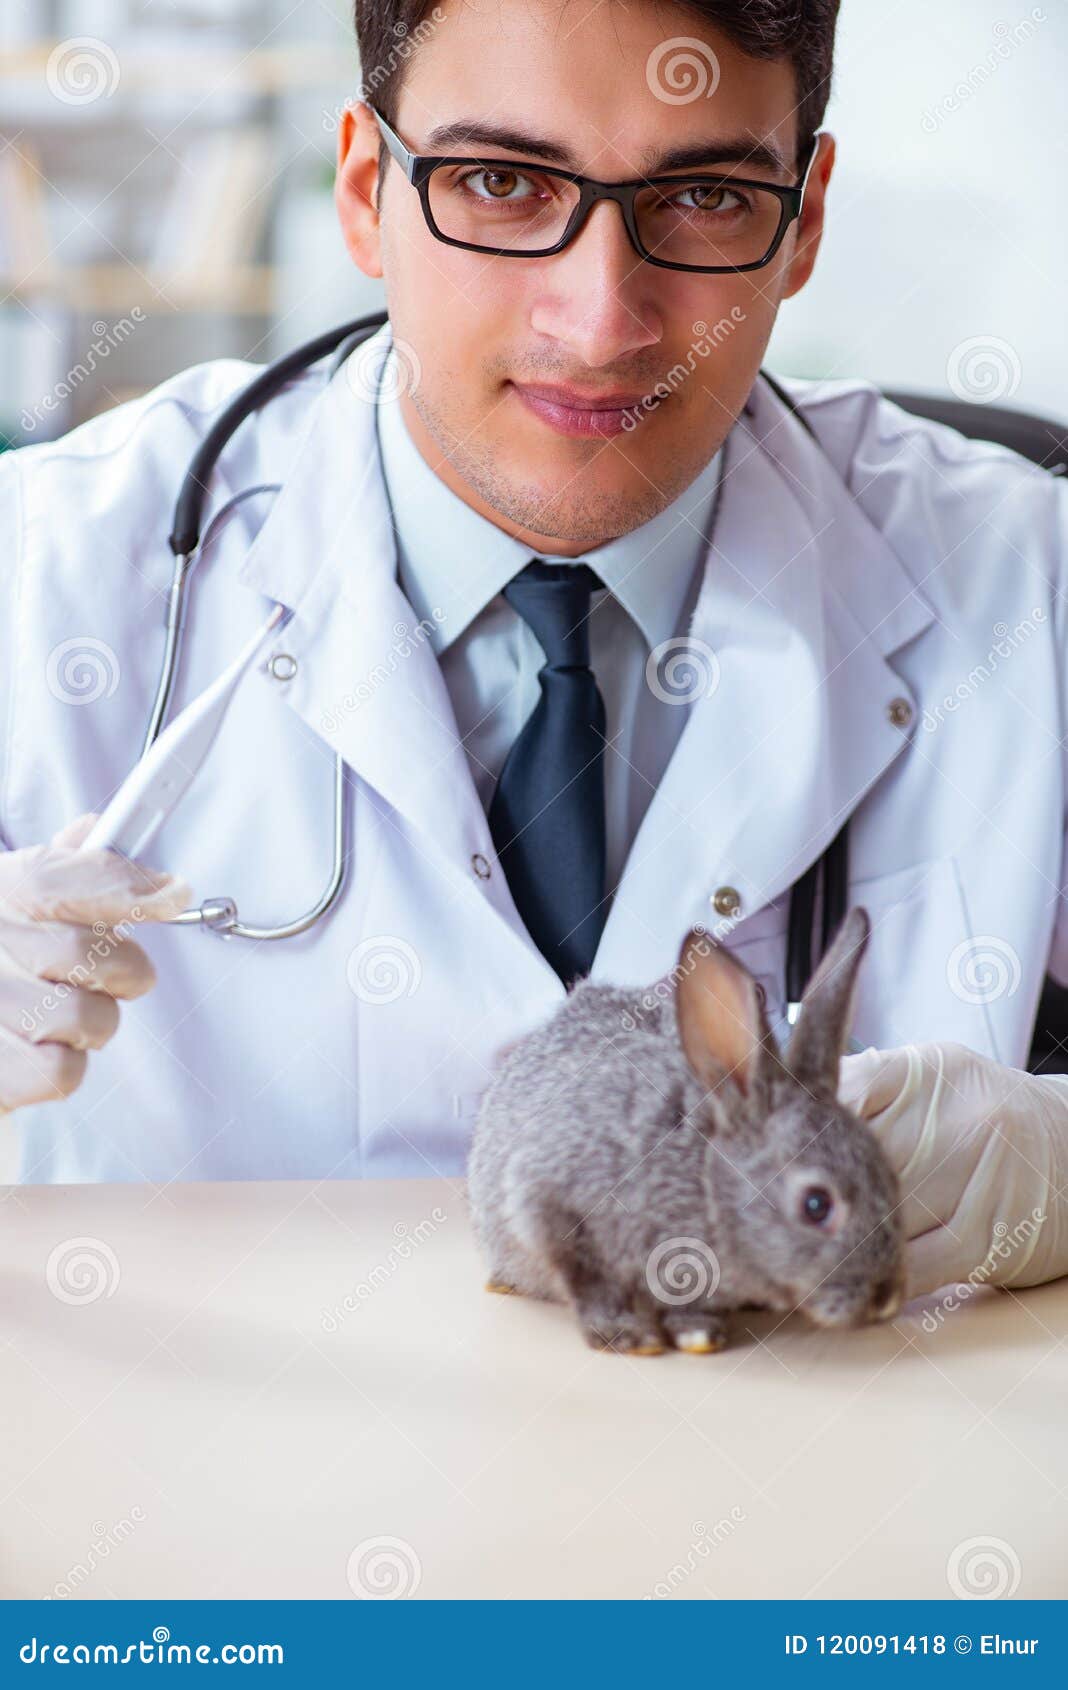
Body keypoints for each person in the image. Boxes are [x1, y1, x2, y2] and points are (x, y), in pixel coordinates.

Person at [0, 0, 1065, 1305]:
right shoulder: (42, 572)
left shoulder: (1032, 578)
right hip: (210, 1487)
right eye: (501, 182)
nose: (601, 315)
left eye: (710, 196)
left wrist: (1057, 1167)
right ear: (362, 188)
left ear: (806, 222)